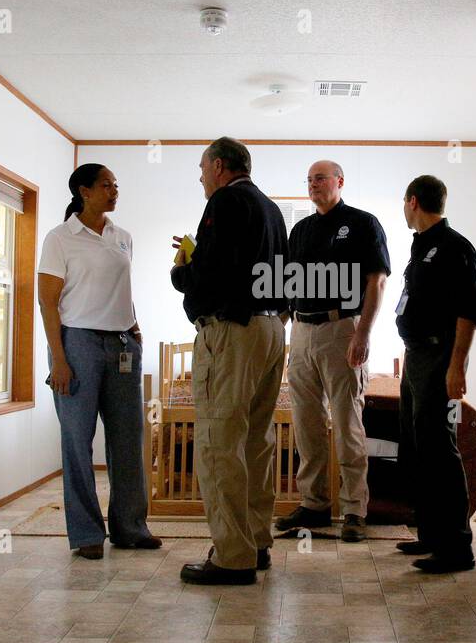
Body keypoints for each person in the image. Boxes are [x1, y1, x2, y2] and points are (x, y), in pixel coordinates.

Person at [171, 137, 288, 584]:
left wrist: (181, 270)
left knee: (219, 443)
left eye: (202, 167)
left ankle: (231, 557)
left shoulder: (223, 200)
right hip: (271, 329)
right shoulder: (272, 210)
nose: (201, 176)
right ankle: (256, 542)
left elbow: (211, 273)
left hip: (232, 330)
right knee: (256, 440)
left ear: (219, 166)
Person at [37, 163, 161, 559]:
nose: (114, 191)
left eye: (116, 185)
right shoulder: (60, 238)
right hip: (78, 344)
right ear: (84, 190)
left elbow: (120, 288)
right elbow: (47, 301)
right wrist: (59, 358)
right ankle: (87, 533)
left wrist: (136, 327)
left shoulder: (122, 237)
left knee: (128, 439)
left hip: (124, 342)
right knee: (77, 440)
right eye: (106, 185)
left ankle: (130, 528)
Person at [275, 160, 390, 543]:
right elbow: (287, 281)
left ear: (340, 181)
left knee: (346, 423)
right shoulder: (301, 229)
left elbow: (377, 281)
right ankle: (314, 504)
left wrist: (364, 333)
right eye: (308, 180)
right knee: (305, 424)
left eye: (320, 178)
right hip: (302, 331)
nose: (313, 185)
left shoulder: (362, 223)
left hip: (343, 328)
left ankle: (355, 510)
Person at [394, 175, 476, 573]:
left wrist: (457, 365)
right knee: (418, 446)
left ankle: (457, 549)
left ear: (413, 201)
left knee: (439, 449)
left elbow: (470, 310)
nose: (403, 208)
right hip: (416, 355)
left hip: (439, 356)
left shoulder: (454, 247)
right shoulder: (422, 248)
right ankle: (430, 536)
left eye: (404, 202)